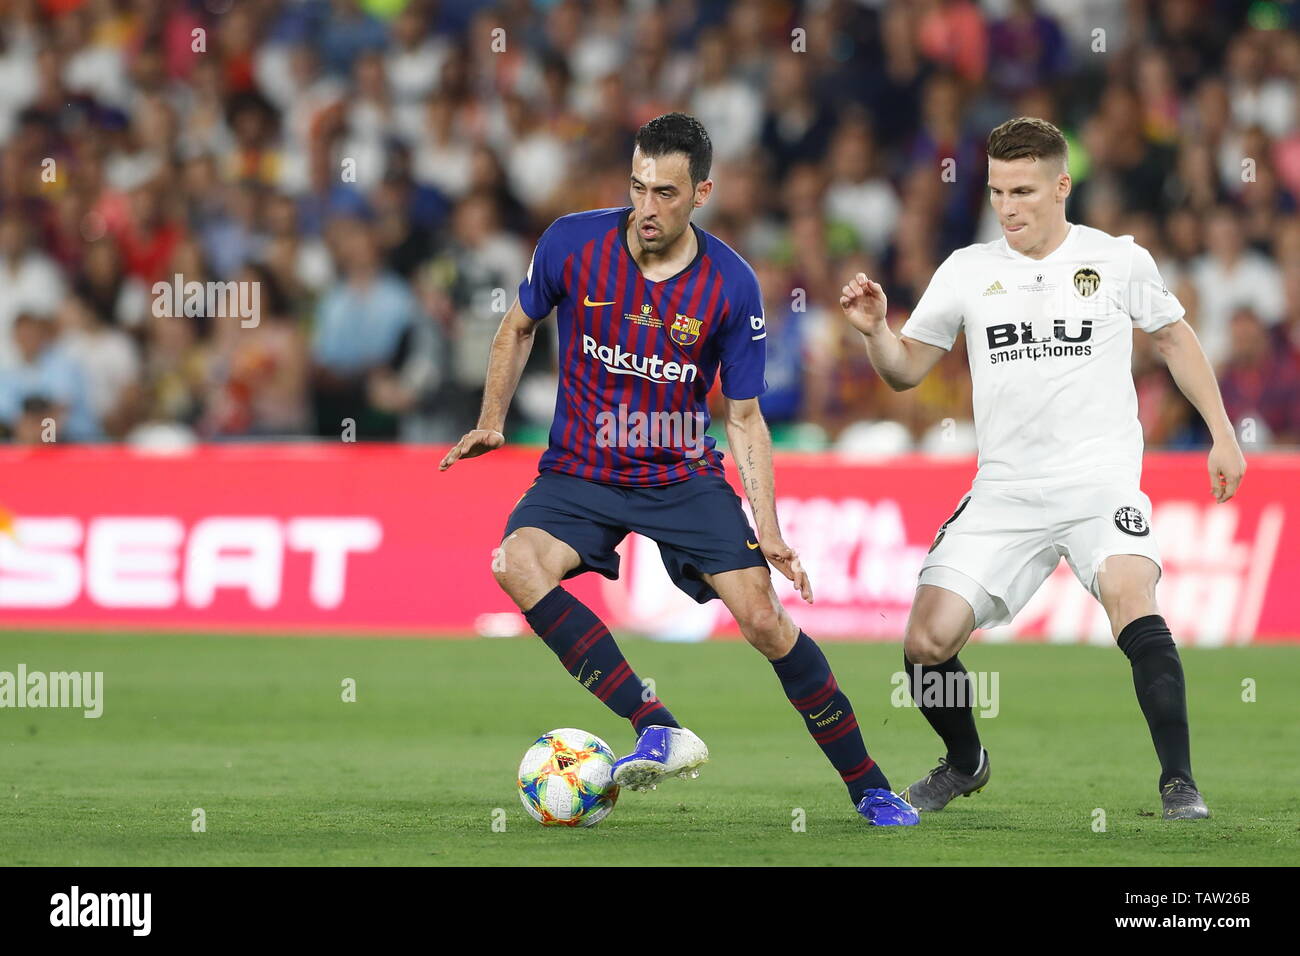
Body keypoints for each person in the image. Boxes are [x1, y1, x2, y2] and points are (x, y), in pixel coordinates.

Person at [441, 112, 918, 825]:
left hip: (680, 477)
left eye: (665, 193)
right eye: (637, 188)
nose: (646, 208)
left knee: (763, 620)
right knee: (515, 562)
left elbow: (745, 418)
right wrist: (492, 419)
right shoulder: (571, 243)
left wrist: (771, 528)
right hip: (581, 470)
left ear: (702, 193)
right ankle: (656, 725)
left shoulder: (731, 284)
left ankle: (870, 786)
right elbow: (518, 327)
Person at [839, 116, 1245, 820]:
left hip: (1100, 484)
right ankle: (965, 763)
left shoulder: (1117, 260)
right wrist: (877, 332)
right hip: (1004, 492)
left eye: (1023, 191)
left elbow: (1175, 340)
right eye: (997, 192)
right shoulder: (968, 269)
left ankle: (1179, 781)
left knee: (1132, 601)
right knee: (923, 645)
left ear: (1062, 185)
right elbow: (905, 372)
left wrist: (1222, 434)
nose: (1008, 207)